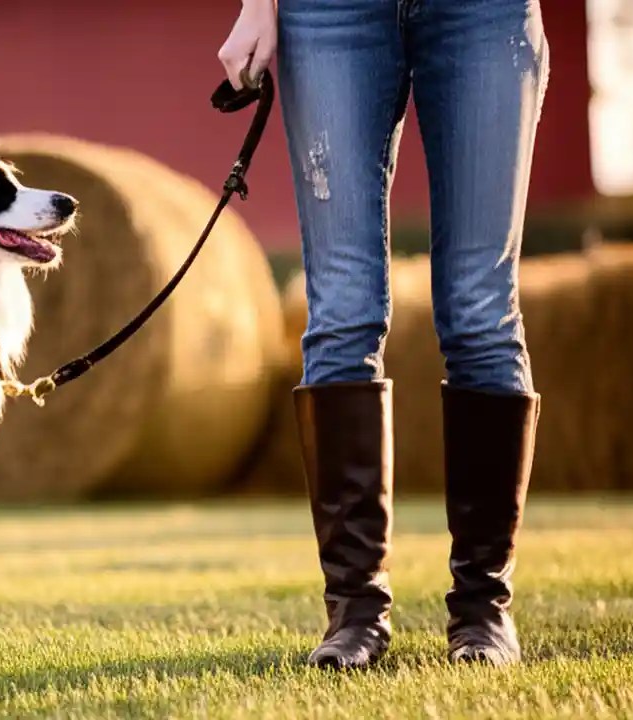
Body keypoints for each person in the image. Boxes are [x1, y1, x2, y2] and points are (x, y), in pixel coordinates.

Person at [218, 0, 547, 669]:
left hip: (484, 14)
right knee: (340, 313)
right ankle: (354, 612)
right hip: (331, 14)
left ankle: (484, 611)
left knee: (480, 310)